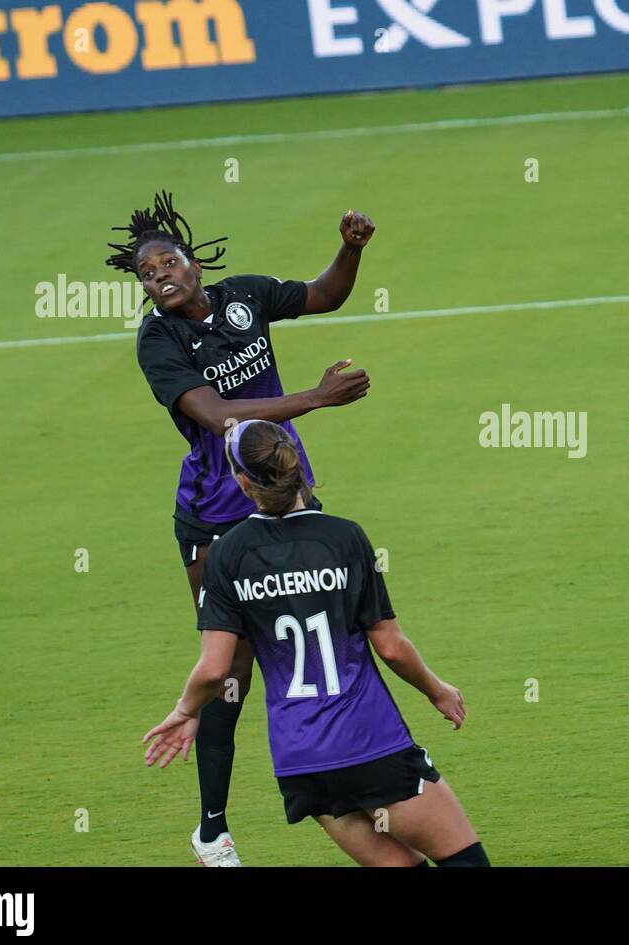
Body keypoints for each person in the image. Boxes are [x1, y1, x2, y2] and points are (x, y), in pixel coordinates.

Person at [108, 191, 374, 864]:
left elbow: (324, 296)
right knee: (230, 670)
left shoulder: (244, 299)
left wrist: (350, 249)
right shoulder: (158, 340)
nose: (159, 276)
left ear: (195, 264)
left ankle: (377, 762)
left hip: (287, 493)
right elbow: (217, 413)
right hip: (216, 520)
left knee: (339, 626)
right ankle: (212, 828)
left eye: (168, 262)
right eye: (147, 274)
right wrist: (312, 399)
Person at [143, 420, 488, 867]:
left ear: (243, 482)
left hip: (302, 762)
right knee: (466, 861)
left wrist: (186, 711)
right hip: (370, 742)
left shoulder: (228, 554)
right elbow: (391, 647)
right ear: (297, 465)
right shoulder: (343, 538)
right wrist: (437, 691)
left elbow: (215, 669)